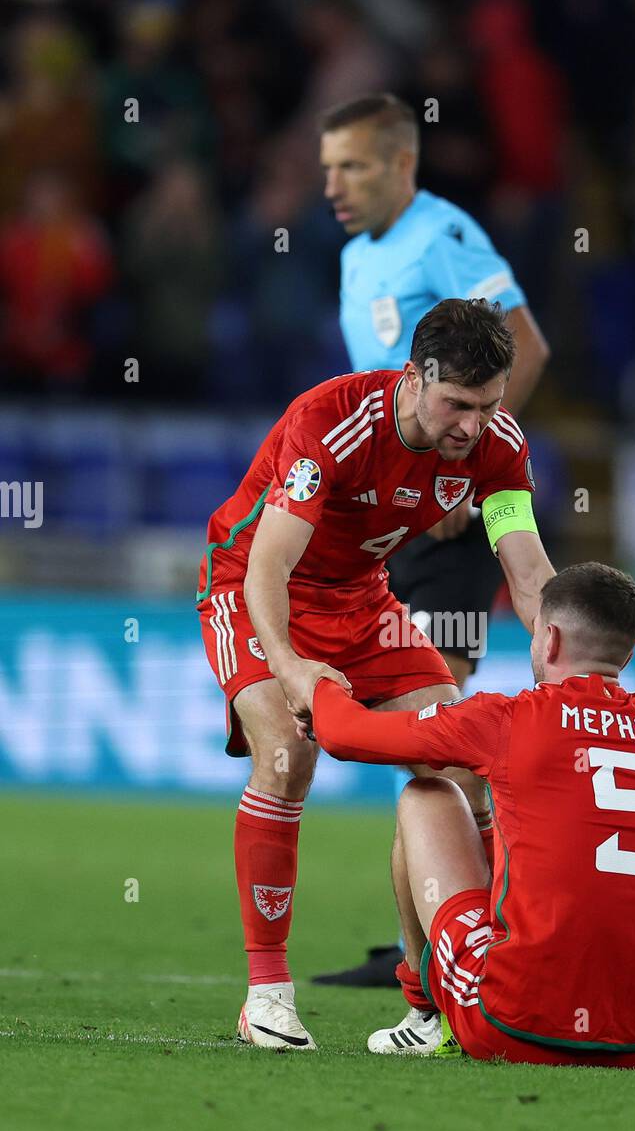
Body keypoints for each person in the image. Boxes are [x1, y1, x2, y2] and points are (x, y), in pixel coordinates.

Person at [196, 297, 554, 1050]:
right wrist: (290, 668)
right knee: (288, 758)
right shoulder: (332, 420)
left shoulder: (496, 445)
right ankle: (266, 993)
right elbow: (269, 562)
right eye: (457, 403)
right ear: (415, 376)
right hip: (255, 589)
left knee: (459, 766)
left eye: (487, 405)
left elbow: (527, 575)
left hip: (363, 602)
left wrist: (568, 668)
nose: (471, 425)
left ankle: (431, 998)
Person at [314, 91, 550, 987]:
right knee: (423, 729)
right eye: (328, 166)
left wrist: (467, 461)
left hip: (442, 517)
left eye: (355, 166)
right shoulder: (353, 253)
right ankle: (441, 925)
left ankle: (466, 933)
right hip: (385, 521)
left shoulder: (442, 235)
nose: (334, 184)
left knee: (438, 723)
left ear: (403, 165)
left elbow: (524, 347)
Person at [310, 563, 635, 1064]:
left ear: (551, 639)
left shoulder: (509, 719)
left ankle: (425, 1012)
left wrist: (316, 680)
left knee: (426, 794)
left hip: (510, 1022)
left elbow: (345, 735)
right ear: (627, 653)